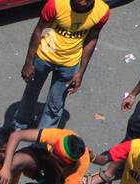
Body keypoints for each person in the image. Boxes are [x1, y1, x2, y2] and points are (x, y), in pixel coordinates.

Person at [12, 0, 111, 131]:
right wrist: (29, 62)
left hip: (69, 64)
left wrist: (80, 73)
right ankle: (19, 126)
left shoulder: (102, 12)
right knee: (31, 92)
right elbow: (39, 31)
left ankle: (42, 141)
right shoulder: (55, 4)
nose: (82, 2)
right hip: (44, 57)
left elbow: (92, 39)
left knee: (55, 104)